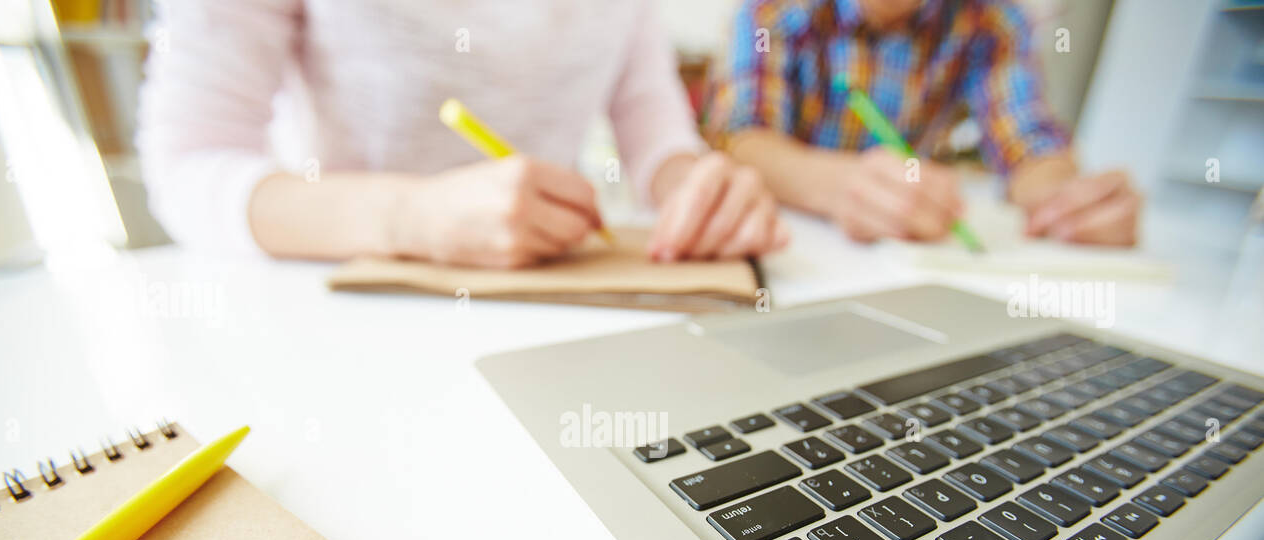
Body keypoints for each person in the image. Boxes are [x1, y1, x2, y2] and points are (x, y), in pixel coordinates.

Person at [138, 1, 788, 266]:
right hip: (333, 317)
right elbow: (188, 165)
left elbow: (658, 140)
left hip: (554, 310)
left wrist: (698, 187)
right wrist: (407, 216)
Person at [707, 0, 1142, 245]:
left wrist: (1064, 198)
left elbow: (1027, 141)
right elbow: (743, 137)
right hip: (785, 243)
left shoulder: (991, 21)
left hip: (904, 254)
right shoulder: (774, 11)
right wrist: (841, 184)